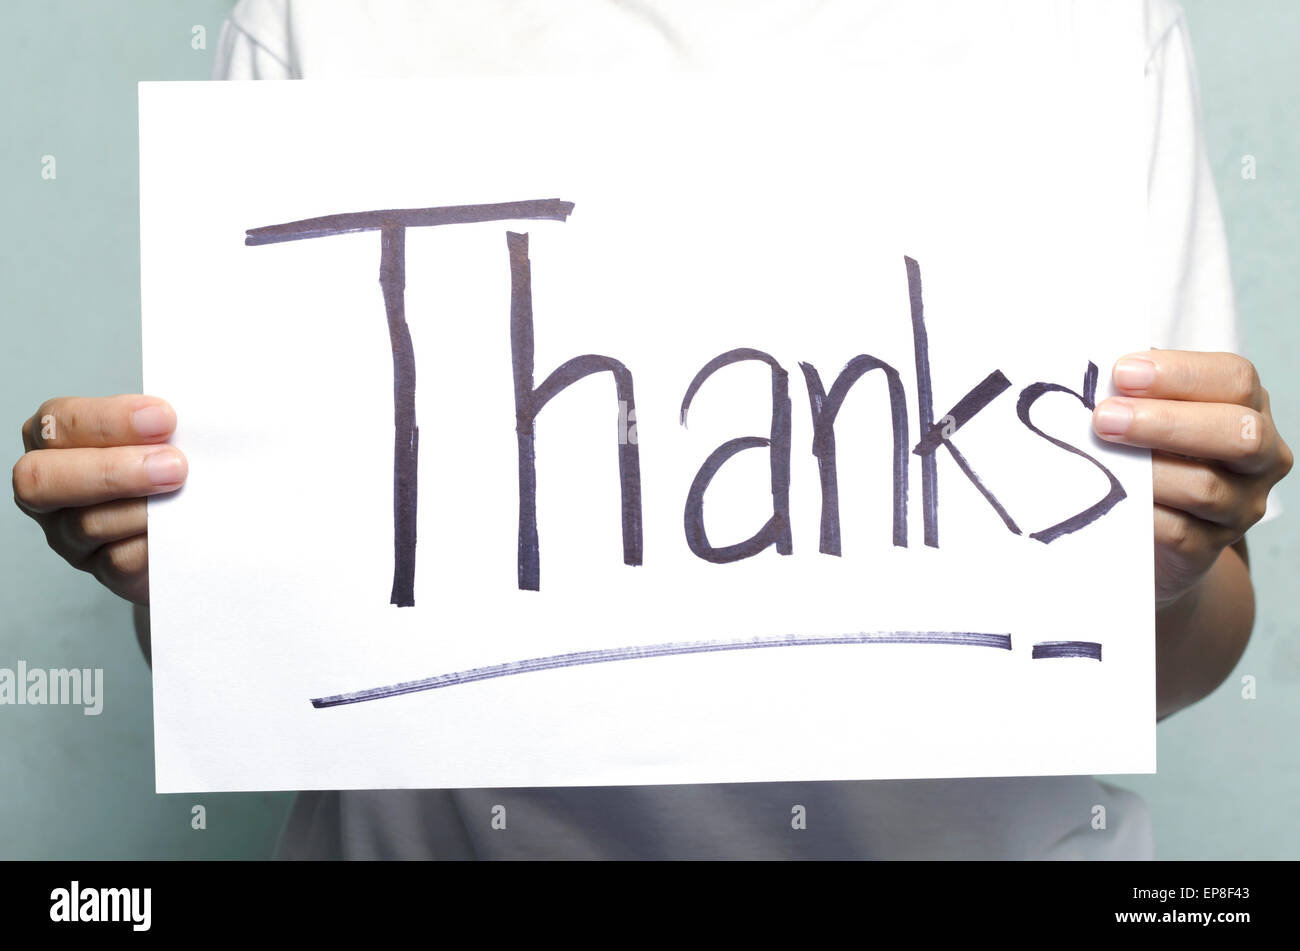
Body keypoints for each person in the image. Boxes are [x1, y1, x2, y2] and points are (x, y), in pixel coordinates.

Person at [12, 0, 1292, 859]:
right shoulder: (328, 12)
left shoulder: (1079, 24)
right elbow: (269, 639)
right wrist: (167, 548)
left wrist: (1163, 567)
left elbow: (1187, 634)